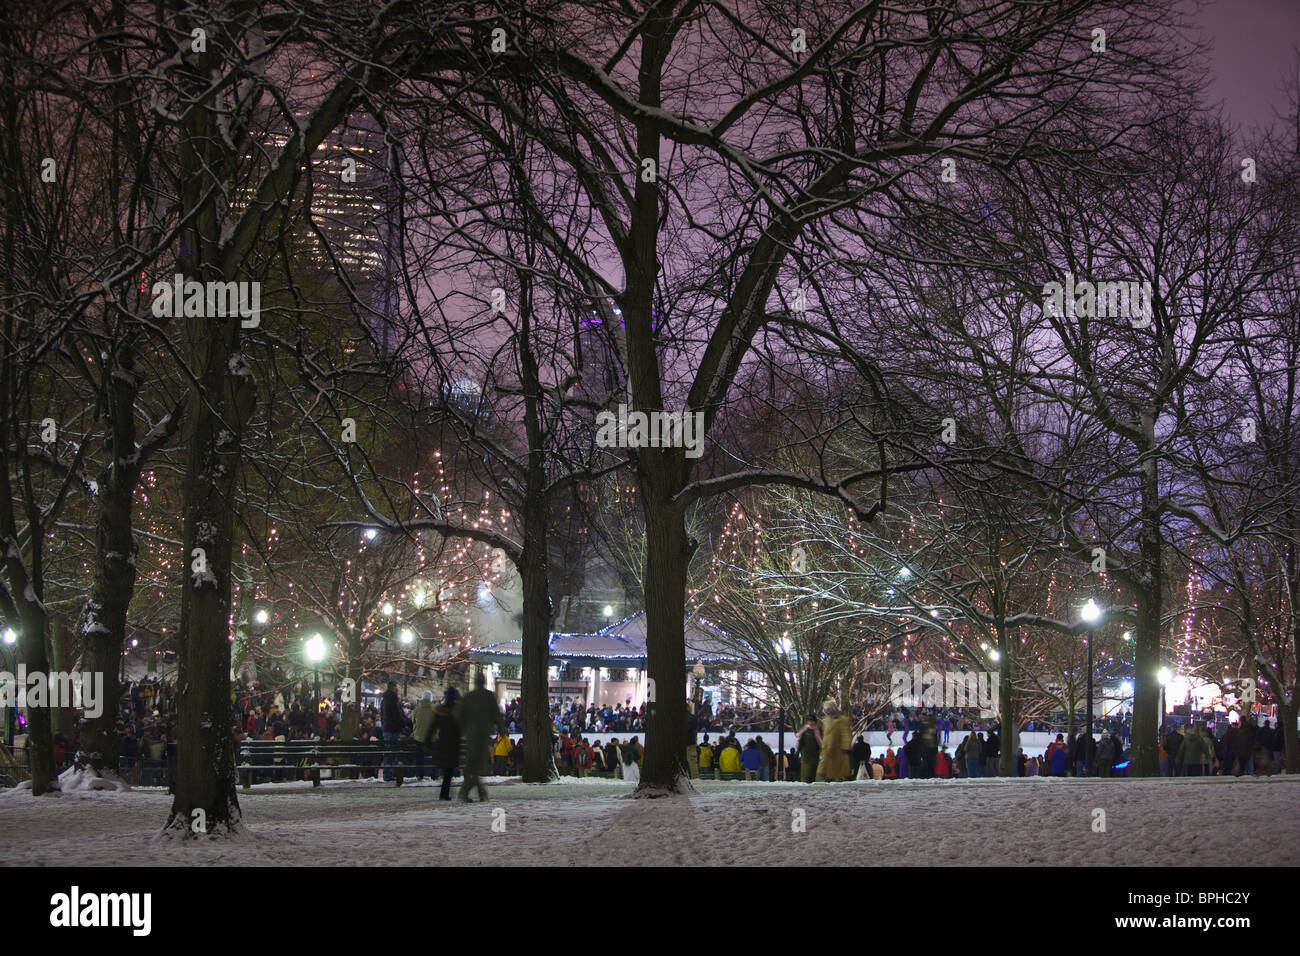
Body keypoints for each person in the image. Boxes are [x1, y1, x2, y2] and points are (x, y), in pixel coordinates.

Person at [455, 672, 506, 802]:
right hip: (483, 735)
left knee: (472, 765)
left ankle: (475, 792)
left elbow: (460, 716)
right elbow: (496, 714)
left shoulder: (469, 697)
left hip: (471, 735)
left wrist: (461, 730)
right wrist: (502, 728)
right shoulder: (488, 696)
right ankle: (473, 792)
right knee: (478, 766)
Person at [431, 687, 461, 801]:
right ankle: (444, 793)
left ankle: (444, 792)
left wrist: (428, 740)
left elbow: (432, 727)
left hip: (443, 743)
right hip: (453, 744)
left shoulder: (440, 711)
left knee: (447, 770)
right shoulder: (456, 711)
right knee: (449, 770)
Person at [816, 700, 851, 782]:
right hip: (827, 750)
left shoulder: (843, 720)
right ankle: (823, 782)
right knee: (823, 770)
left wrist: (845, 746)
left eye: (828, 709)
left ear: (833, 708)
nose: (827, 711)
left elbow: (845, 734)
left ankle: (837, 782)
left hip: (838, 750)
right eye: (826, 709)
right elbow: (825, 735)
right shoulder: (826, 721)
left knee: (837, 770)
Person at [380, 681, 403, 782]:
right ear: (393, 689)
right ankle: (389, 775)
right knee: (392, 753)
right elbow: (397, 716)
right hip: (393, 729)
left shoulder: (384, 701)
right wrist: (404, 724)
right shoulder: (393, 700)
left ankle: (388, 774)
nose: (397, 690)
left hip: (387, 729)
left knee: (389, 753)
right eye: (396, 688)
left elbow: (382, 715)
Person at [412, 690, 435, 781]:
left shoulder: (416, 710)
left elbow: (413, 722)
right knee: (434, 757)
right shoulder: (435, 710)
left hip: (419, 738)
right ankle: (434, 774)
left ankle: (419, 775)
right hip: (432, 739)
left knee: (419, 757)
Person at [798, 716, 821, 783]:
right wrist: (798, 750)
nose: (810, 722)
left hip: (815, 754)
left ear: (815, 722)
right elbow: (801, 741)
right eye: (808, 721)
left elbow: (820, 742)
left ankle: (811, 780)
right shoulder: (805, 730)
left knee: (813, 768)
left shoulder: (818, 730)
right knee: (806, 769)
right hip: (806, 754)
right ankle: (805, 781)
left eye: (811, 721)